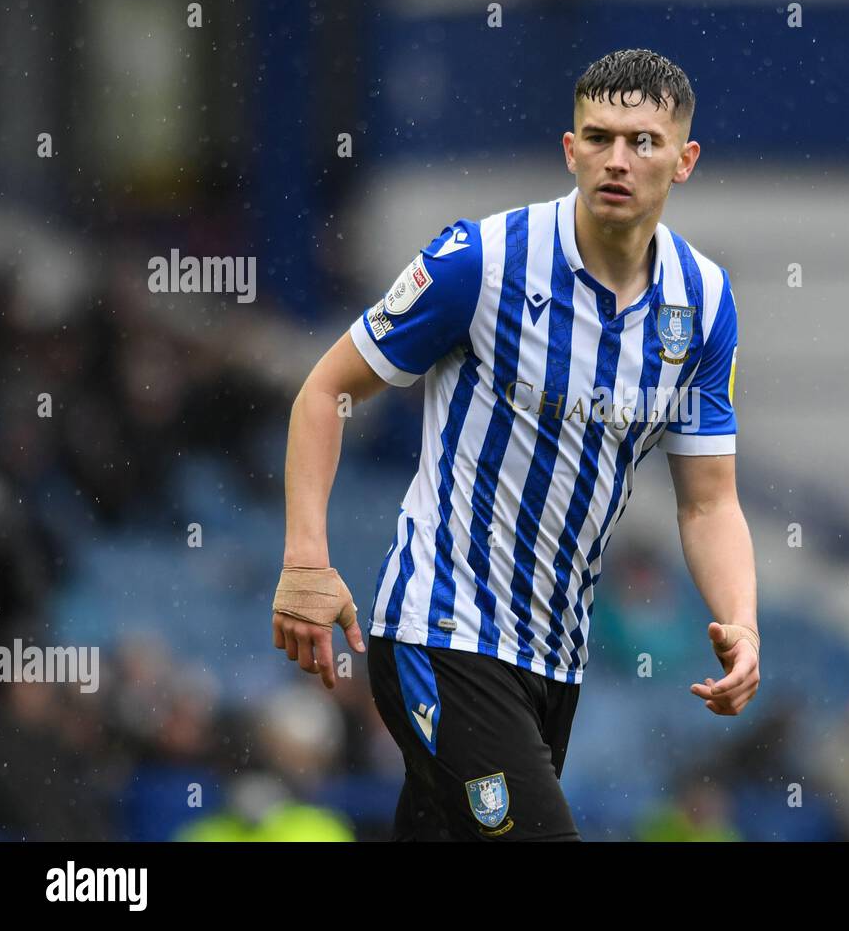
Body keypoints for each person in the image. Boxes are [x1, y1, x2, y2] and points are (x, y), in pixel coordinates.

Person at [270, 49, 760, 840]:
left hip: (555, 661)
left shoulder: (702, 301)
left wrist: (741, 616)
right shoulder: (482, 261)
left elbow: (709, 500)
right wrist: (304, 560)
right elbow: (324, 390)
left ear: (685, 159)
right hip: (442, 631)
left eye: (643, 141)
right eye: (597, 137)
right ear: (570, 150)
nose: (618, 159)